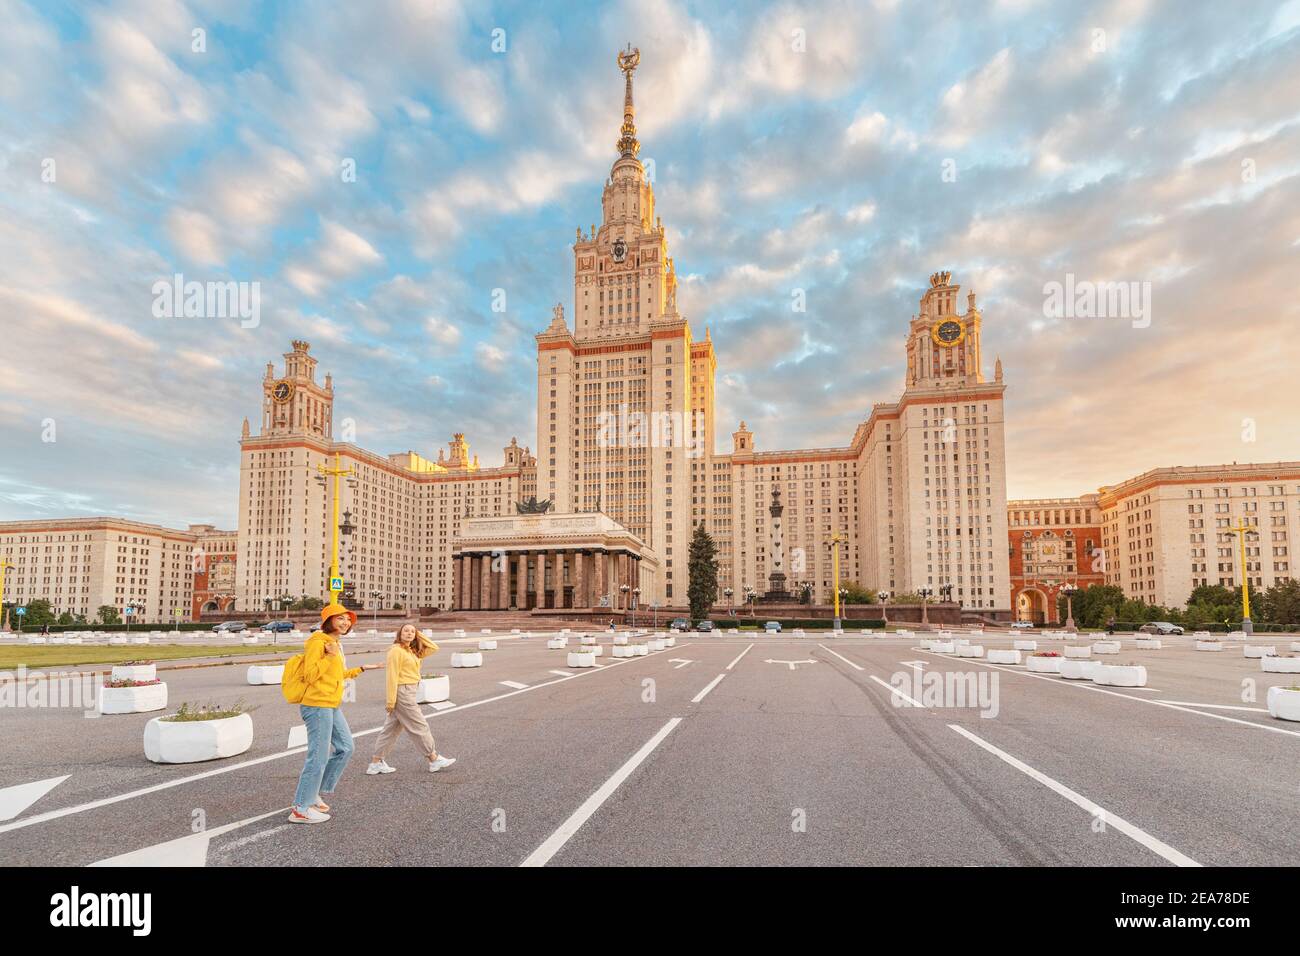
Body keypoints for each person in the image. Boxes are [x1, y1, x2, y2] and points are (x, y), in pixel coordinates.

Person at [289, 603, 382, 824]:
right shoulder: (317, 642)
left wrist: (361, 669)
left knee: (346, 747)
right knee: (318, 756)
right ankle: (301, 808)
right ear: (328, 620)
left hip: (331, 704)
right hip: (317, 704)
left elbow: (337, 674)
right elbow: (311, 675)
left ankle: (313, 794)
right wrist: (329, 656)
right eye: (339, 618)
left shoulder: (335, 644)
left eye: (348, 619)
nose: (345, 623)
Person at [367, 624, 455, 775]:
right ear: (399, 633)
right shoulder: (396, 651)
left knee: (391, 730)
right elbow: (392, 676)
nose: (409, 633)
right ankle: (433, 759)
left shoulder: (412, 651)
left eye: (412, 631)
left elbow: (434, 647)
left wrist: (419, 635)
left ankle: (376, 763)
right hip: (402, 692)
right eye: (406, 630)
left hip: (410, 690)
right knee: (419, 725)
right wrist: (390, 701)